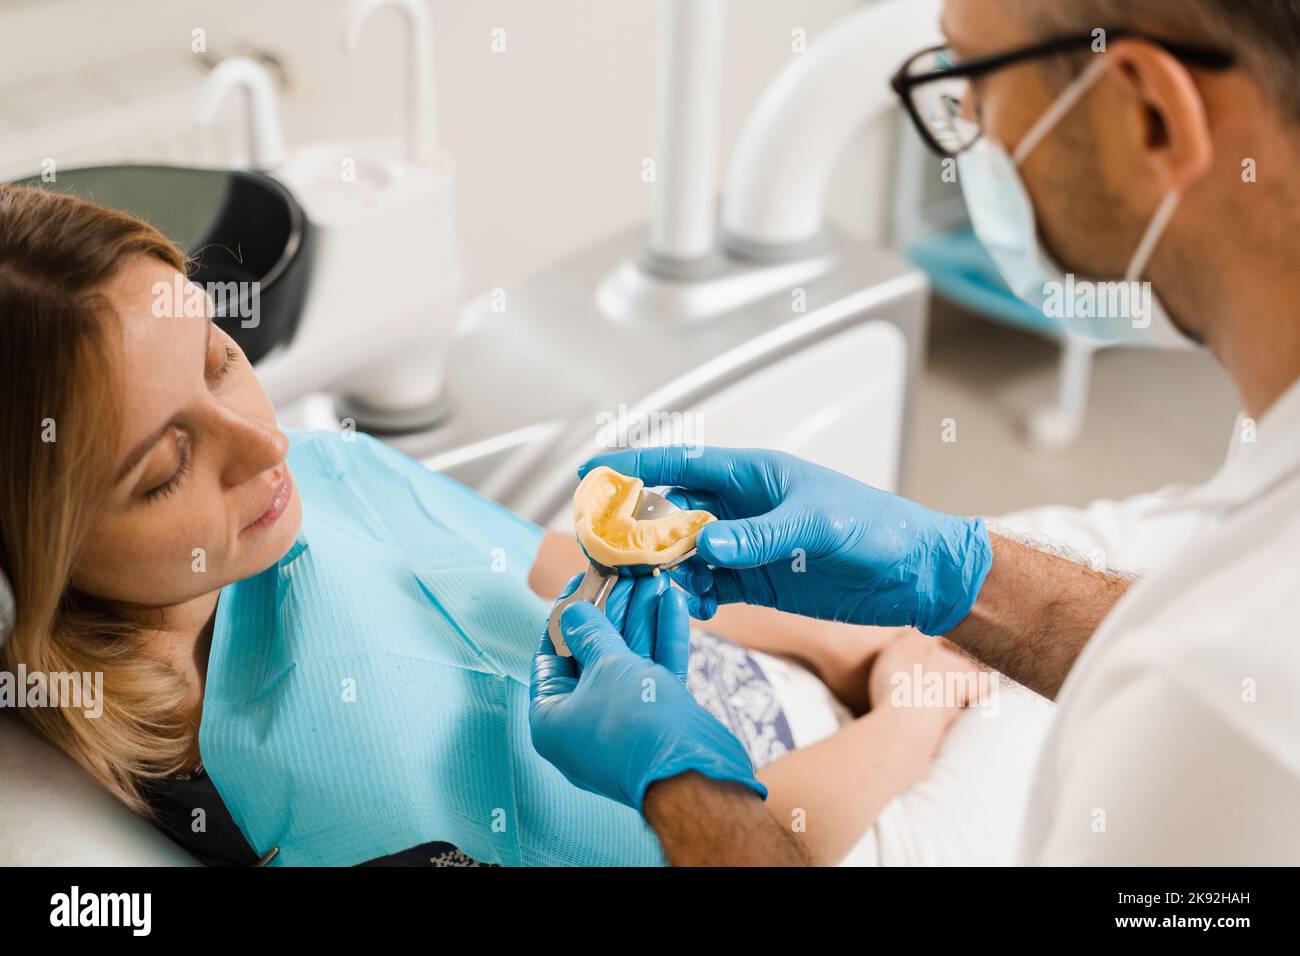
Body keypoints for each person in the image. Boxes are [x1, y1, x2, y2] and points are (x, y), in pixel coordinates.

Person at [0, 184, 1035, 866]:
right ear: (36, 557)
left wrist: (844, 633)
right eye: (167, 466)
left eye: (222, 357)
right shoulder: (292, 778)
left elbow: (545, 561)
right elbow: (746, 841)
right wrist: (913, 708)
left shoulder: (317, 470)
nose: (262, 446)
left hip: (819, 704)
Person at [529, 0, 1300, 865]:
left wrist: (680, 787)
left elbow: (1210, 675)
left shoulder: (1228, 717)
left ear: (1150, 115)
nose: (964, 122)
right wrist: (963, 578)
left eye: (971, 81)